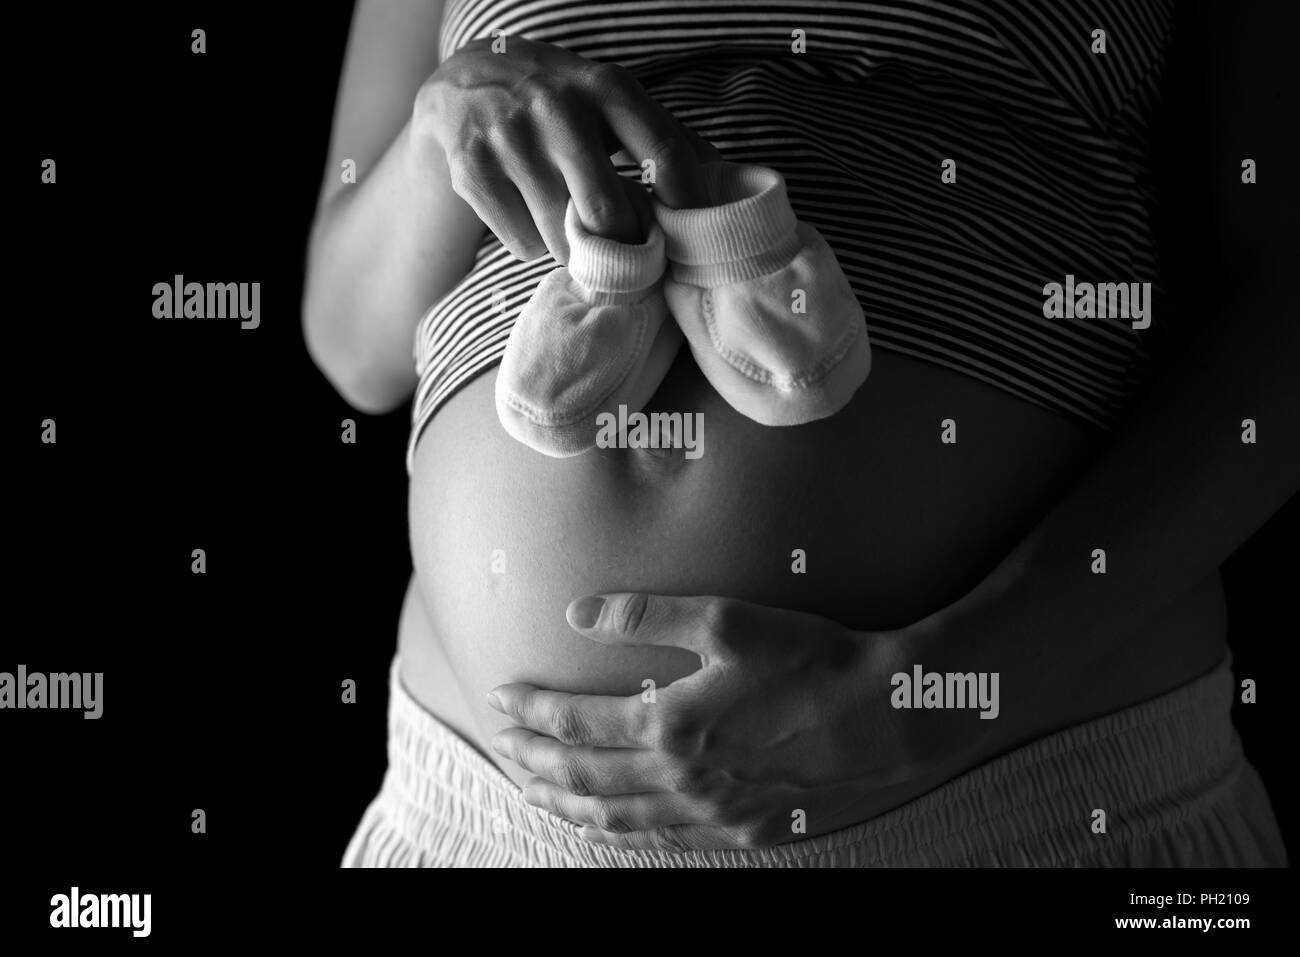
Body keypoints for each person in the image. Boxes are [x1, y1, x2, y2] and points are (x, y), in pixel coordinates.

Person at [305, 0, 1295, 866]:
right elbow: (353, 344)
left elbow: (1279, 318)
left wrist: (956, 685)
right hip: (489, 826)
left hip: (1029, 807)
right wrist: (448, 118)